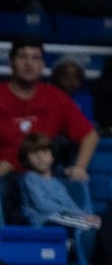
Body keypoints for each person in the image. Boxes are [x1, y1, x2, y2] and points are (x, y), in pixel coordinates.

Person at [0, 37, 97, 176]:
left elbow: (90, 135)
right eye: (22, 57)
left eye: (35, 58)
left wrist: (79, 168)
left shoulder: (55, 97)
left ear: (42, 65)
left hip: (42, 179)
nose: (29, 63)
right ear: (11, 63)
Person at [15, 133, 98, 232]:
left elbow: (68, 203)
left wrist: (84, 215)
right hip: (42, 219)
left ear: (52, 156)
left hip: (61, 217)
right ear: (26, 159)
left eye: (44, 151)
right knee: (88, 225)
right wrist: (80, 217)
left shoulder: (56, 182)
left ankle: (72, 242)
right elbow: (42, 205)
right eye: (34, 153)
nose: (40, 156)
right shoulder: (30, 178)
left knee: (96, 222)